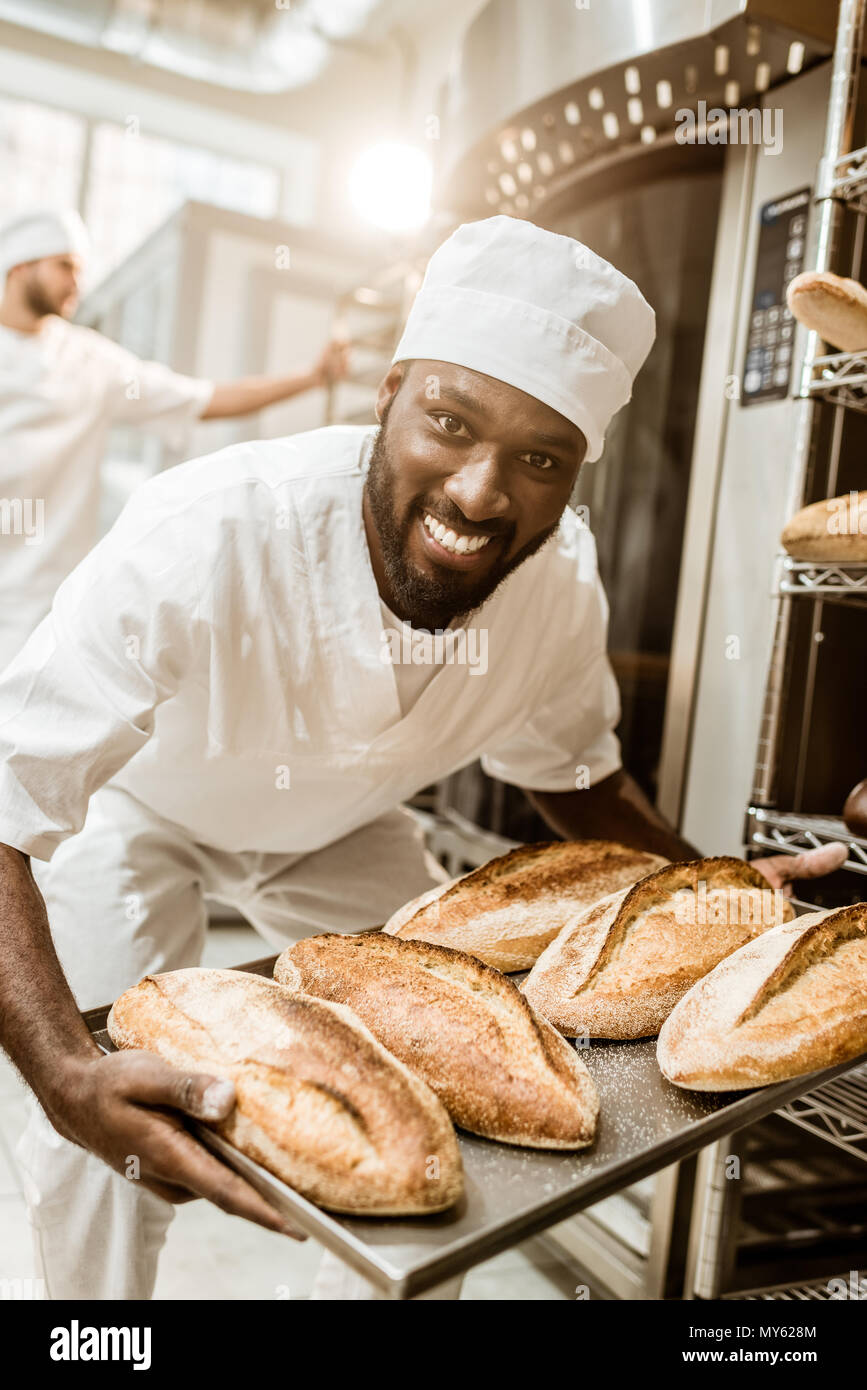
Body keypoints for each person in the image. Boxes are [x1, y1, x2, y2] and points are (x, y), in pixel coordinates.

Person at [0, 214, 844, 1302]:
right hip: (138, 811)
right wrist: (65, 1070)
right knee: (104, 1143)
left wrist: (716, 891)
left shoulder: (556, 589)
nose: (482, 492)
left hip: (342, 829)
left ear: (577, 470)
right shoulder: (208, 532)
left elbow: (574, 777)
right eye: (449, 420)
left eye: (541, 458)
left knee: (450, 1126)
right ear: (388, 393)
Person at [0, 208, 349, 668]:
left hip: (39, 612)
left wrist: (311, 377)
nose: (77, 284)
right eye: (65, 265)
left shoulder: (90, 362)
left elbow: (208, 399)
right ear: (20, 265)